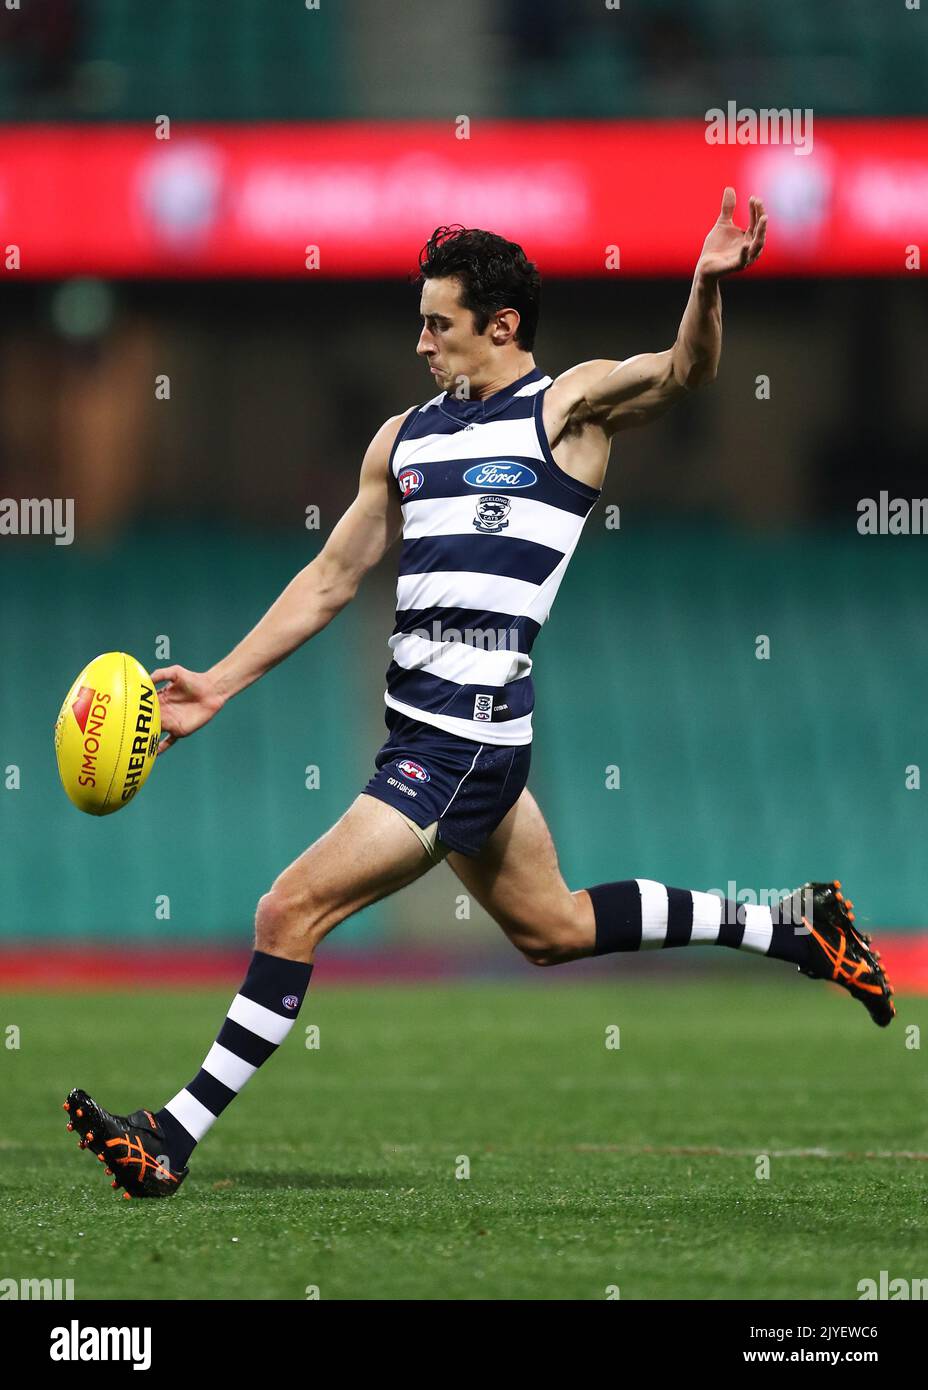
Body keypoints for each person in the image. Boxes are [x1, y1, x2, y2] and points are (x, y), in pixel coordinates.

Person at [64, 189, 893, 1200]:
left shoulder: (567, 408)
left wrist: (703, 289)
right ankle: (797, 925)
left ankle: (169, 1139)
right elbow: (329, 578)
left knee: (287, 910)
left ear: (500, 325)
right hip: (421, 736)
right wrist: (219, 686)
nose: (420, 342)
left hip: (466, 744)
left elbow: (683, 373)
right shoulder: (402, 439)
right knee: (556, 929)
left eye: (437, 323)